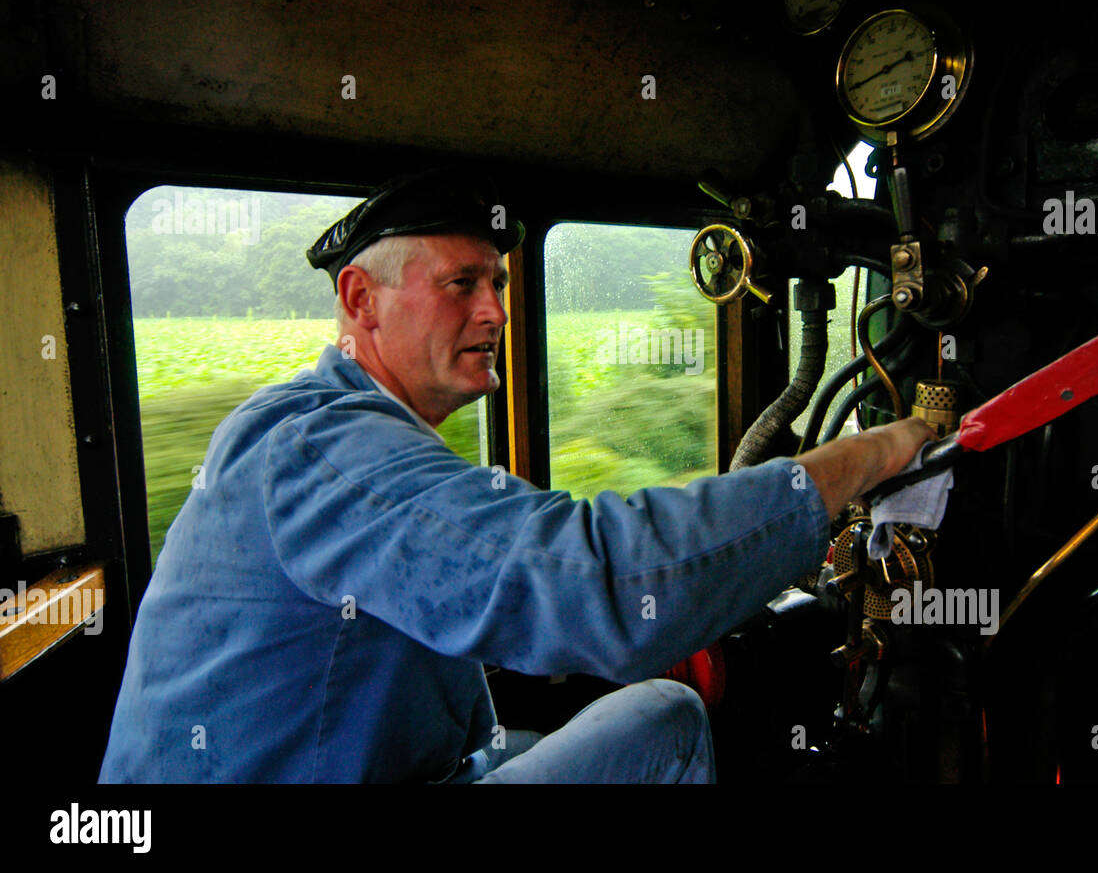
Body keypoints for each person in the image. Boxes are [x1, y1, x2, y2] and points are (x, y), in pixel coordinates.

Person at [98, 169, 935, 783]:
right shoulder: (322, 450)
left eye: (495, 283)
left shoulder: (339, 432)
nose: (495, 310)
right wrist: (867, 456)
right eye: (461, 284)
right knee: (667, 721)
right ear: (361, 301)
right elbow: (594, 577)